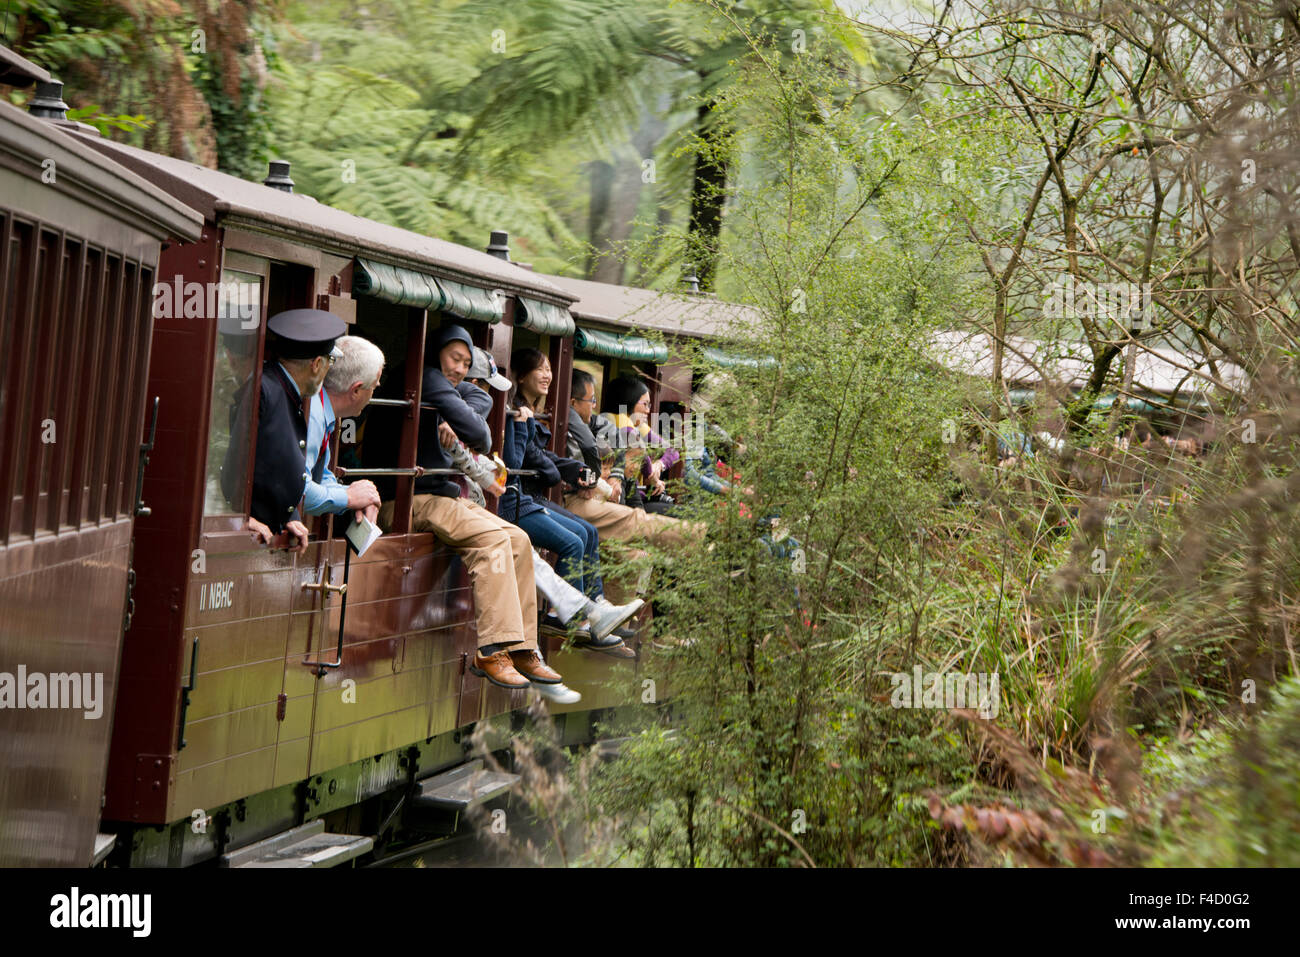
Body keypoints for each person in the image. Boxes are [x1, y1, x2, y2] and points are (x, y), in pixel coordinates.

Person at [375, 324, 561, 691]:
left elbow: (483, 410)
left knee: (519, 539)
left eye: (465, 362)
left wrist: (461, 409)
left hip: (437, 496)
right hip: (404, 499)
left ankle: (523, 646)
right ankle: (492, 650)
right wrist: (461, 414)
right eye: (454, 358)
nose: (459, 369)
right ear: (435, 353)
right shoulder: (425, 376)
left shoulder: (445, 384)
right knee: (493, 538)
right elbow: (480, 434)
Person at [457, 348, 643, 653]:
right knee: (573, 541)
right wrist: (523, 427)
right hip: (512, 500)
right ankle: (569, 617)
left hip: (525, 496)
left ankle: (596, 609)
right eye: (540, 369)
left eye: (549, 368)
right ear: (520, 375)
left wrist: (572, 471)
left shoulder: (526, 411)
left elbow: (540, 458)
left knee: (588, 532)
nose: (547, 374)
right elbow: (516, 461)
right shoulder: (511, 412)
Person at [225, 308, 347, 554]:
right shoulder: (265, 390)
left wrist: (288, 514)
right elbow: (233, 465)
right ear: (317, 364)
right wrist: (240, 518)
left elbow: (271, 465)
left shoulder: (281, 389)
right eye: (329, 362)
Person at [565, 369, 704, 550]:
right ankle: (703, 538)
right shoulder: (622, 423)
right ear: (629, 402)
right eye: (645, 404)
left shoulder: (624, 424)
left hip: (626, 495)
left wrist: (658, 465)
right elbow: (640, 452)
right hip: (604, 496)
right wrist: (652, 473)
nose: (648, 410)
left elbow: (672, 451)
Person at [302, 334, 385, 527]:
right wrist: (348, 497)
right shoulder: (313, 415)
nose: (373, 394)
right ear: (356, 390)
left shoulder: (321, 409)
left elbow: (319, 473)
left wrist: (360, 496)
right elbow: (298, 491)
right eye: (373, 387)